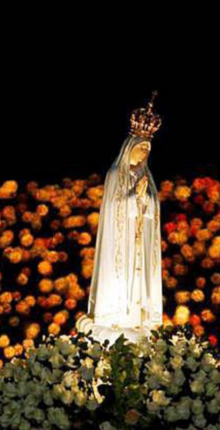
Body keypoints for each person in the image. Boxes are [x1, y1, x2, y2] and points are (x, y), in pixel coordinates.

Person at [80, 92, 164, 344]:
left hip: (139, 240)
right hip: (121, 240)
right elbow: (114, 207)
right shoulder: (116, 173)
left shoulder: (147, 176)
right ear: (130, 148)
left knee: (138, 278)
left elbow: (153, 210)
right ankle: (117, 313)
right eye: (140, 148)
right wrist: (132, 197)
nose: (143, 154)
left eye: (147, 150)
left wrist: (145, 199)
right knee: (122, 275)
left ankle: (138, 315)